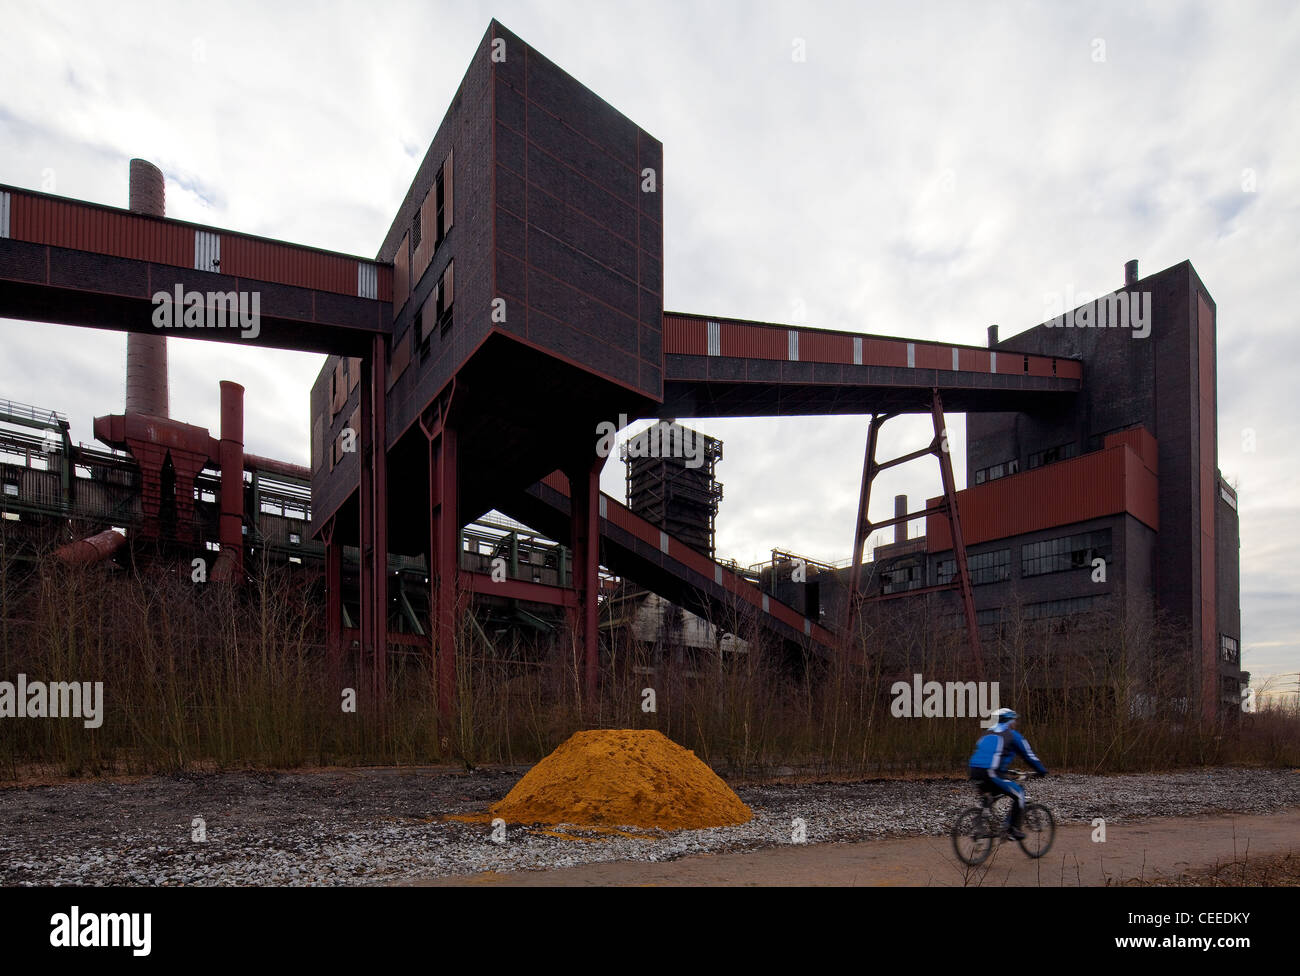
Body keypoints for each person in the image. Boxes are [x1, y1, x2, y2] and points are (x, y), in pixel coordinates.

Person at [968, 707, 1047, 839]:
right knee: (1019, 794)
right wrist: (1041, 770)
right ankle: (1012, 829)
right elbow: (1028, 755)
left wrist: (1004, 770)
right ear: (1009, 721)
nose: (1015, 723)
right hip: (991, 772)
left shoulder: (986, 733)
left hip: (973, 771)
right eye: (1014, 720)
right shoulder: (1012, 735)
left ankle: (981, 817)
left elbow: (986, 754)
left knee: (992, 793)